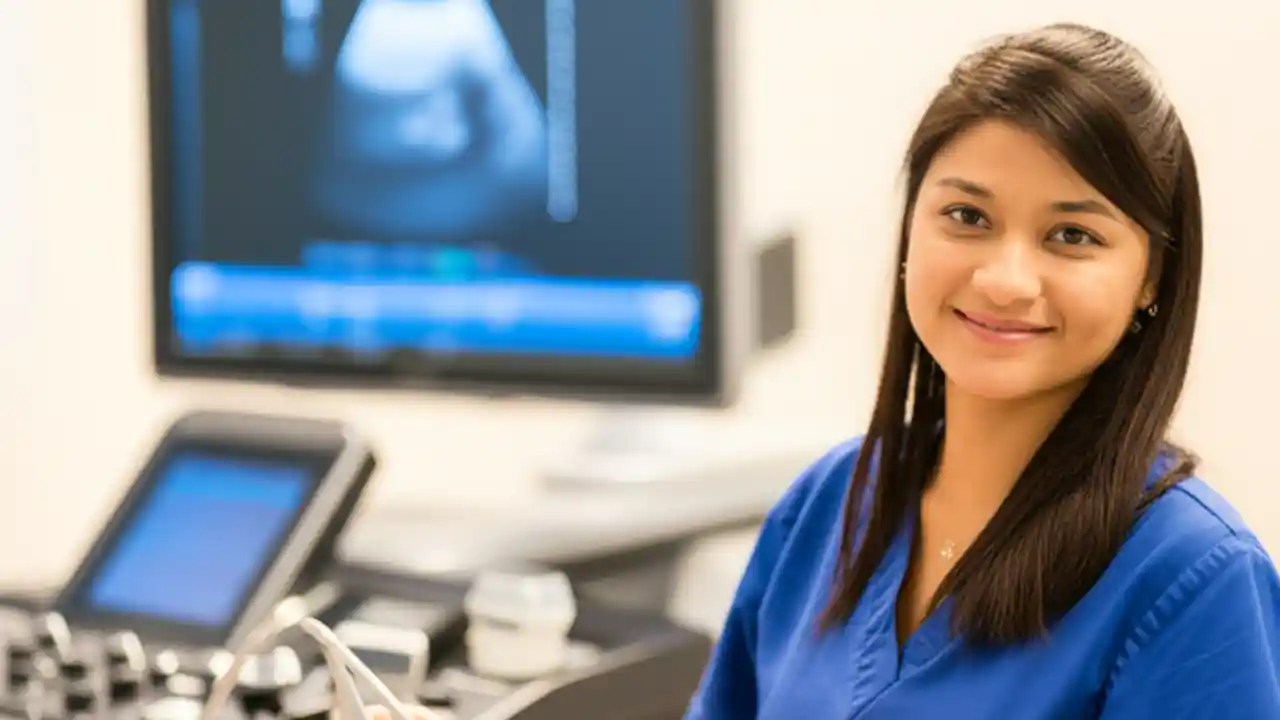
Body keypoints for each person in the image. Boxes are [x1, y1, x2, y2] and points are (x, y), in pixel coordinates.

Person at [684, 22, 1280, 720]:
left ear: (1151, 277)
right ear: (912, 228)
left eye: (1072, 236)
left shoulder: (1192, 580)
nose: (1005, 280)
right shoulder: (826, 506)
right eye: (967, 216)